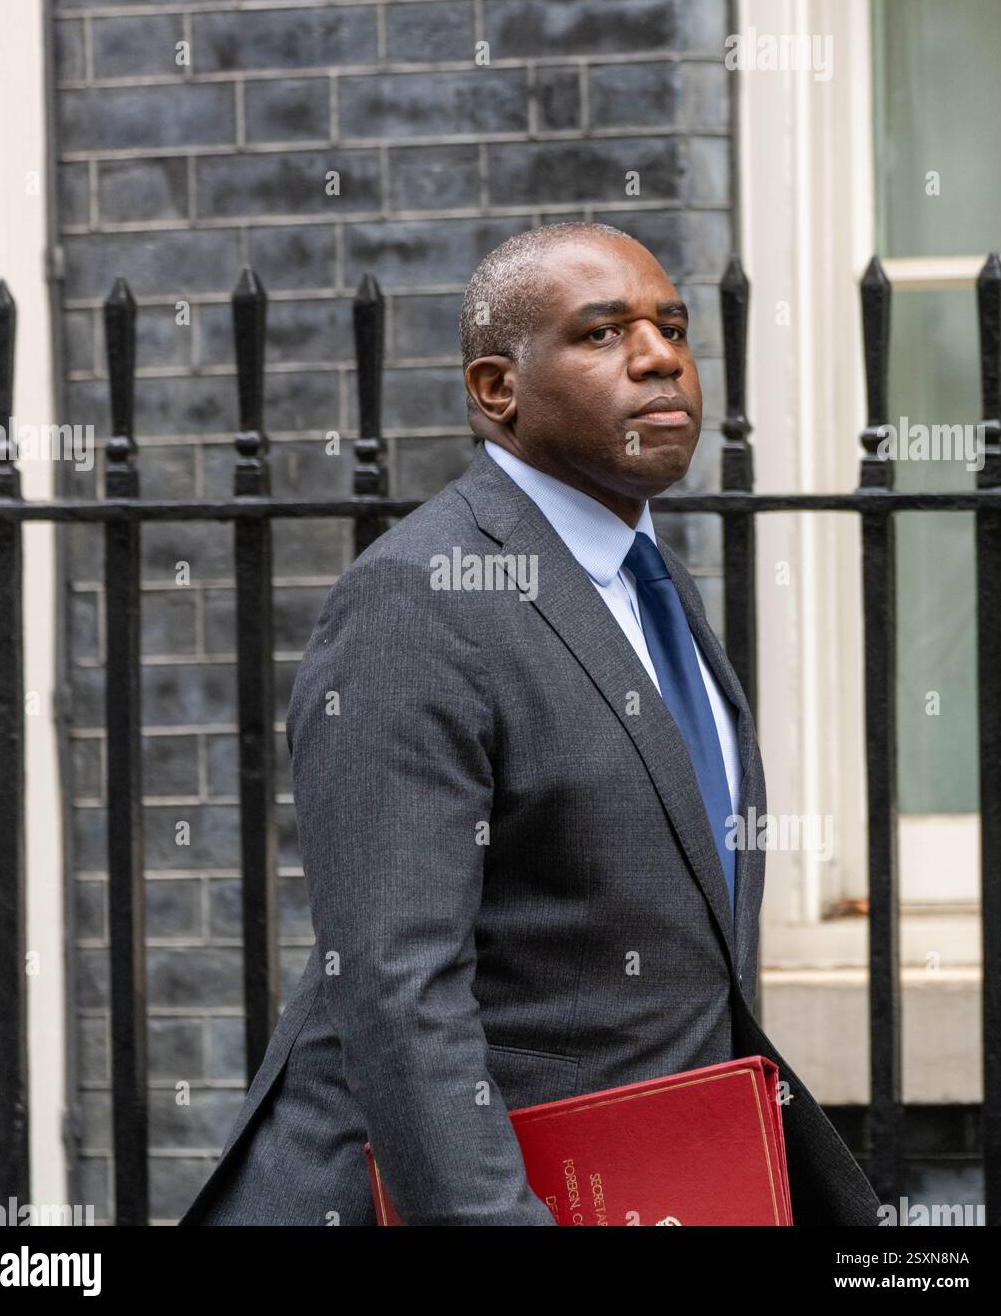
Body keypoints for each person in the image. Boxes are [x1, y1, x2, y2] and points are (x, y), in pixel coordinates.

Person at [179, 222, 881, 1226]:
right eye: (602, 333)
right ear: (496, 388)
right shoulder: (417, 599)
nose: (659, 356)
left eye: (672, 326)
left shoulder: (650, 587)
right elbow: (396, 986)